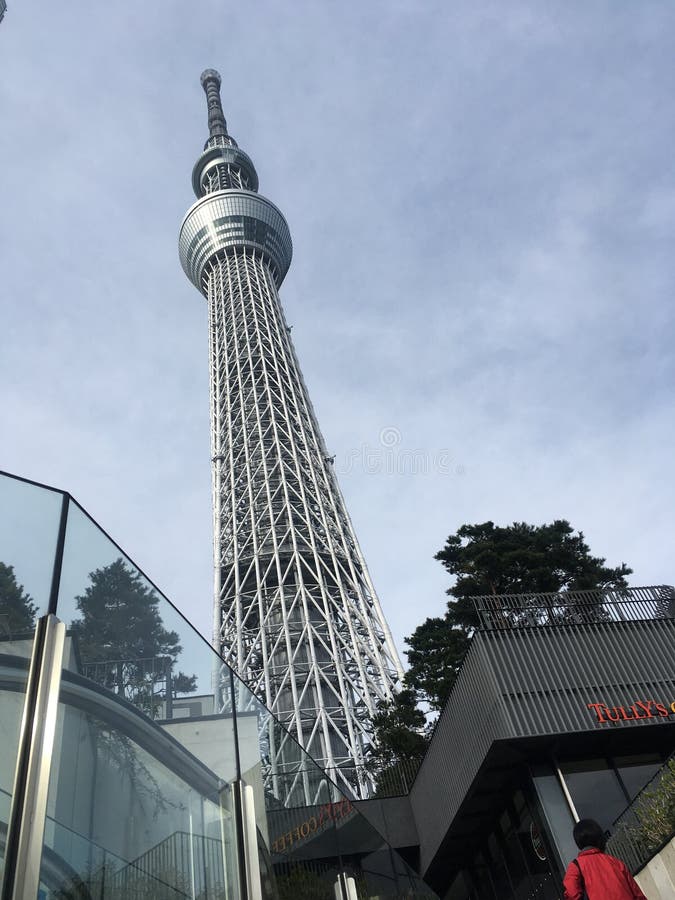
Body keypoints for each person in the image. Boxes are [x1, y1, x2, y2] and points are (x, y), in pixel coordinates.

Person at [562, 818, 647, 900]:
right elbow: (637, 895)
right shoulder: (616, 862)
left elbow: (571, 893)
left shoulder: (576, 866)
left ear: (578, 842)